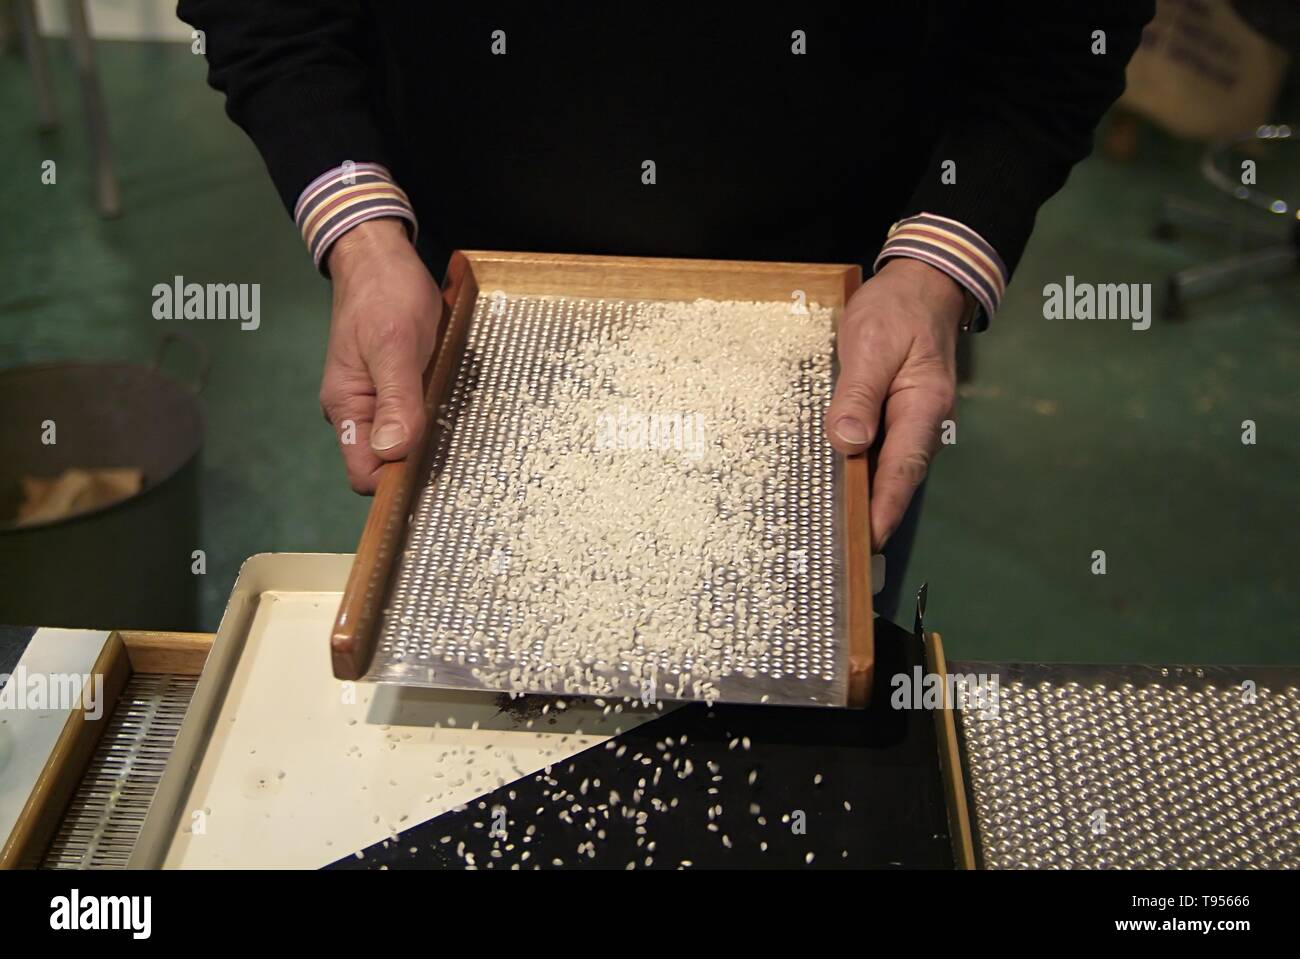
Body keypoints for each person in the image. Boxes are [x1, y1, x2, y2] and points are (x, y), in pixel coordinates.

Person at [178, 2, 1152, 621]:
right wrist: (359, 236)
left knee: (794, 660)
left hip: (840, 307)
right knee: (487, 652)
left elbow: (1063, 26)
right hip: (469, 310)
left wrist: (945, 249)